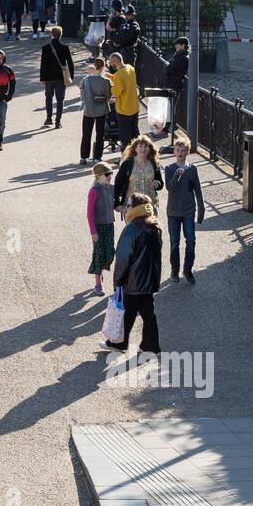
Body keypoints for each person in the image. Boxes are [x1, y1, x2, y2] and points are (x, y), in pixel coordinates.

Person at [105, 193, 164, 355]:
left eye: (129, 205)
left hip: (133, 281)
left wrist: (117, 281)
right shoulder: (155, 227)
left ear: (136, 208)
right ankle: (150, 346)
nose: (126, 207)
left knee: (128, 311)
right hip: (150, 280)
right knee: (147, 314)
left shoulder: (131, 229)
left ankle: (119, 344)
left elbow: (123, 258)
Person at [163, 134, 205, 285]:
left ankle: (188, 269)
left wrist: (201, 211)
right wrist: (176, 175)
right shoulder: (169, 168)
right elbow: (170, 188)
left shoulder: (193, 169)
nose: (180, 153)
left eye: (183, 150)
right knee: (174, 242)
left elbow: (198, 191)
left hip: (188, 211)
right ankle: (175, 270)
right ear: (174, 151)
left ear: (187, 151)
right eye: (178, 150)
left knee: (191, 241)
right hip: (173, 212)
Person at [113, 134, 164, 214]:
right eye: (140, 146)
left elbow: (160, 183)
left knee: (150, 227)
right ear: (135, 149)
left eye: (146, 146)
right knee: (133, 227)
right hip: (131, 207)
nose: (143, 149)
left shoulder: (154, 163)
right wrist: (117, 205)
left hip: (150, 206)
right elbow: (117, 184)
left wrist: (158, 183)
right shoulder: (127, 164)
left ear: (149, 149)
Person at [87, 161, 116, 297]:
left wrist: (123, 208)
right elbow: (89, 213)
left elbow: (114, 204)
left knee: (110, 252)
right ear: (98, 176)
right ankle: (98, 283)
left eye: (111, 173)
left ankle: (100, 273)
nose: (109, 176)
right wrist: (93, 231)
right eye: (106, 174)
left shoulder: (111, 188)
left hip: (109, 224)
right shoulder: (94, 191)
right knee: (99, 254)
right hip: (98, 227)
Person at [39, 25, 75, 130]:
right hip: (61, 78)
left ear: (51, 35)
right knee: (60, 100)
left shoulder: (45, 48)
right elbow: (70, 63)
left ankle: (49, 118)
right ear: (61, 35)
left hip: (49, 78)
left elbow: (43, 64)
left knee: (48, 98)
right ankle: (58, 122)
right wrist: (71, 76)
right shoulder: (65, 47)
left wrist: (42, 78)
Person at [80, 57, 113, 165]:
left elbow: (82, 93)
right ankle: (97, 158)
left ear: (94, 65)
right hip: (101, 109)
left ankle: (83, 157)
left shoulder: (85, 79)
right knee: (100, 134)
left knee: (86, 134)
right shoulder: (106, 81)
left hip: (88, 109)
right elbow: (108, 96)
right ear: (103, 67)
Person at [106, 52, 140, 149]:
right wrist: (112, 77)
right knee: (135, 133)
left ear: (114, 62)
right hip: (134, 107)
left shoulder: (119, 75)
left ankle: (126, 158)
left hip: (124, 110)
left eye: (110, 63)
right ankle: (138, 155)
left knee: (125, 136)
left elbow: (116, 92)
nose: (110, 65)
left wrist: (111, 84)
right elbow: (125, 81)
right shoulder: (130, 68)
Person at [162, 38, 189, 139]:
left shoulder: (182, 58)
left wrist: (167, 66)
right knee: (169, 106)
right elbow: (168, 67)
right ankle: (170, 126)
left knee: (170, 107)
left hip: (174, 85)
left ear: (183, 45)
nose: (175, 46)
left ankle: (167, 128)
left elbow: (168, 68)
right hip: (172, 83)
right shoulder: (178, 56)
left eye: (177, 44)